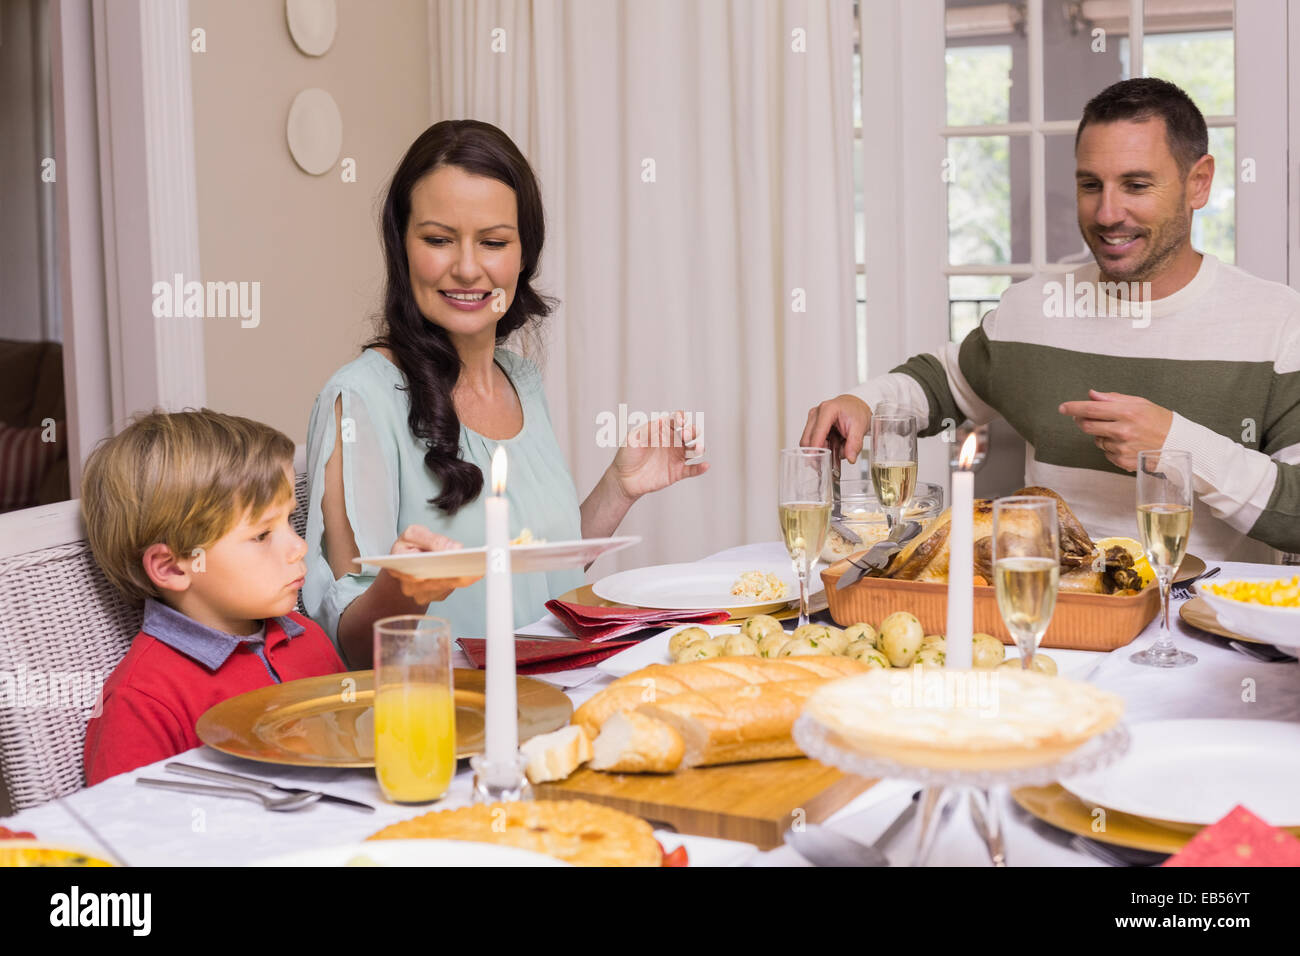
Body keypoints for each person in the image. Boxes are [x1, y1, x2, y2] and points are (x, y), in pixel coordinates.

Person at [803, 78, 1300, 562]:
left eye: (1136, 184)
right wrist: (863, 402)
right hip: (1047, 618)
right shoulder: (1031, 310)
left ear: (1199, 182)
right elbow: (942, 383)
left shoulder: (1276, 322)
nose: (1108, 213)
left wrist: (1175, 445)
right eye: (1091, 185)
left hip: (1207, 629)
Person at [305, 119, 707, 667]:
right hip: (444, 724)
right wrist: (408, 588)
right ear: (402, 247)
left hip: (555, 694)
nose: (467, 268)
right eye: (438, 239)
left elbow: (537, 572)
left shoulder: (520, 378)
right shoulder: (359, 399)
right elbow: (348, 644)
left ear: (524, 254)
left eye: (493, 242)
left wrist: (620, 487)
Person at [82, 411, 345, 785]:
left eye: (290, 520)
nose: (298, 546)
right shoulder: (143, 700)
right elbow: (126, 830)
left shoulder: (306, 639)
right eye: (261, 535)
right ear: (173, 567)